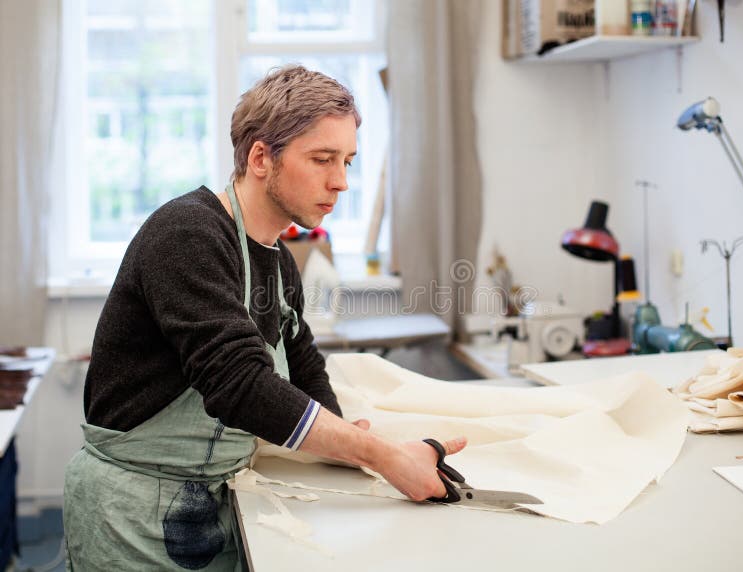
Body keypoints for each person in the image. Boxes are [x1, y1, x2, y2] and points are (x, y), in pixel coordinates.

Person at [63, 65, 466, 571]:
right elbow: (238, 384)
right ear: (260, 157)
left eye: (347, 161)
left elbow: (305, 370)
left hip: (215, 503)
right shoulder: (187, 234)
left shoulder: (277, 261)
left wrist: (365, 442)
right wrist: (381, 457)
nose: (340, 182)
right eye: (322, 159)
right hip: (130, 512)